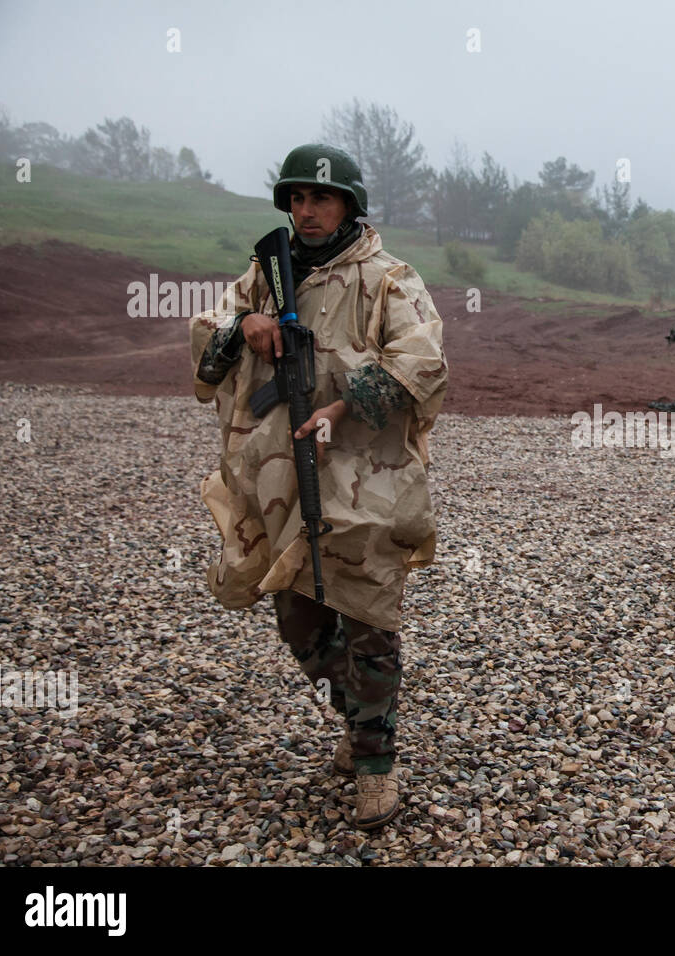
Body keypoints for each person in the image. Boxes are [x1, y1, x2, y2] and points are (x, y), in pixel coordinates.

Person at [188, 143, 448, 829]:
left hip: (368, 478)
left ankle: (373, 766)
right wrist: (245, 324)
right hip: (279, 478)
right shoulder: (262, 275)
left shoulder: (390, 279)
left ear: (349, 206)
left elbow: (423, 362)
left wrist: (342, 406)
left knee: (368, 618)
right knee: (298, 616)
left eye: (321, 199)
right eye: (297, 199)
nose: (307, 211)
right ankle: (359, 717)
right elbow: (206, 330)